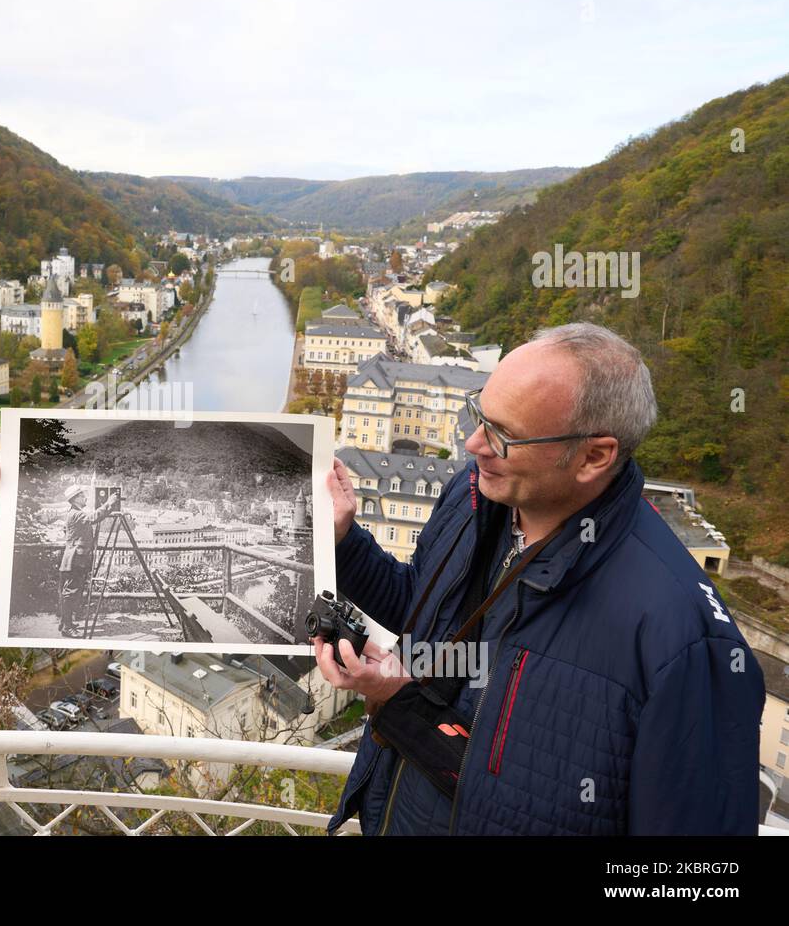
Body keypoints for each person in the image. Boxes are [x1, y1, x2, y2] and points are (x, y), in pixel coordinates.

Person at [315, 322, 765, 835]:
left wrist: (400, 702)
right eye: (479, 413)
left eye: (504, 434)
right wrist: (345, 541)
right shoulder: (474, 496)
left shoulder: (682, 641)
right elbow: (416, 605)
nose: (472, 443)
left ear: (595, 456)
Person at [56, 485, 117, 635]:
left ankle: (65, 623)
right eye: (83, 496)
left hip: (75, 559)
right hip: (74, 560)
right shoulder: (76, 514)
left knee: (70, 592)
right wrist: (109, 503)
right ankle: (67, 628)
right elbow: (93, 518)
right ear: (75, 498)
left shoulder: (74, 513)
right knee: (70, 593)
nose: (86, 498)